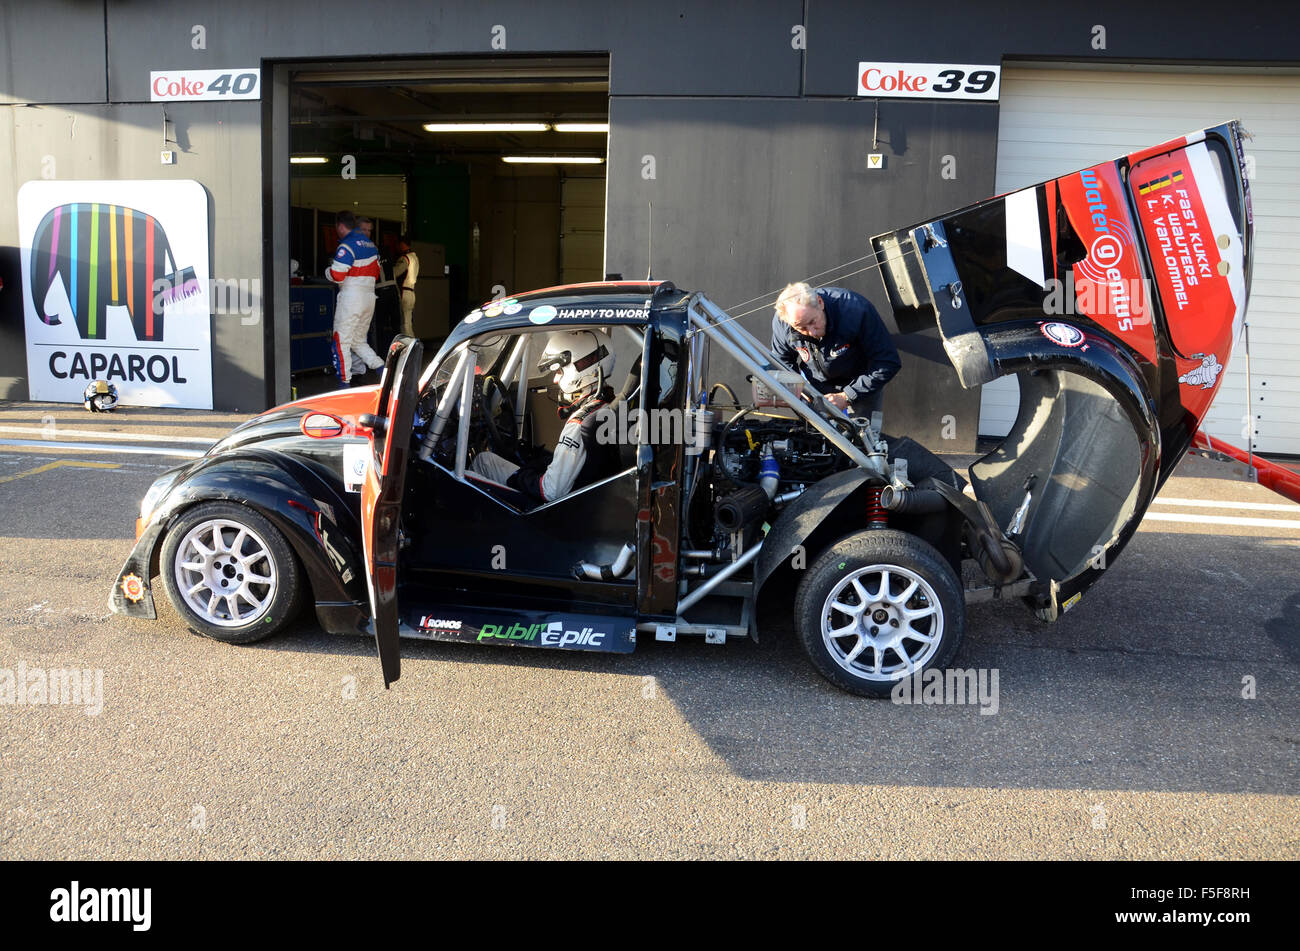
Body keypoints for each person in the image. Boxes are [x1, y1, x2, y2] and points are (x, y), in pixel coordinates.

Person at [470, 330, 619, 504]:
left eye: (559, 371)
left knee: (482, 461)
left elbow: (550, 491)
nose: (555, 379)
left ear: (580, 369)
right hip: (591, 502)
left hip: (551, 514)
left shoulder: (578, 424)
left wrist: (522, 475)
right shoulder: (609, 405)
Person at [769, 281, 901, 417]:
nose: (812, 332)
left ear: (820, 303)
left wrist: (847, 396)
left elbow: (887, 362)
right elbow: (781, 361)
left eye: (812, 322)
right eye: (801, 328)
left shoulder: (855, 310)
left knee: (865, 433)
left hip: (861, 383)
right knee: (815, 434)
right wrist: (800, 392)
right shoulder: (782, 323)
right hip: (815, 386)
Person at [326, 211, 385, 386]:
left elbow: (337, 275)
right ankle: (383, 370)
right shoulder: (371, 245)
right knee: (358, 341)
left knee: (340, 341)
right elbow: (376, 272)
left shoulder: (348, 245)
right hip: (369, 297)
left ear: (340, 226)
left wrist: (327, 272)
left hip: (351, 297)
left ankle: (344, 384)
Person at [392, 234, 420, 338]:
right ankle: (411, 345)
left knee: (405, 324)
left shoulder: (404, 258)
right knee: (409, 322)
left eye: (398, 244)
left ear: (402, 244)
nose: (397, 247)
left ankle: (410, 347)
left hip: (404, 293)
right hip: (412, 292)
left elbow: (395, 273)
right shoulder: (415, 257)